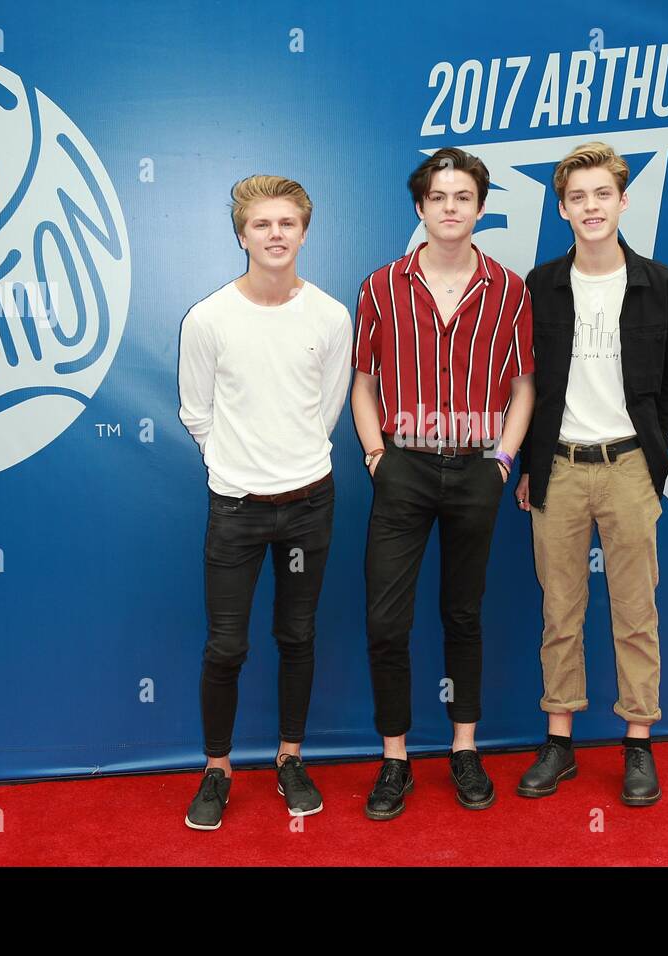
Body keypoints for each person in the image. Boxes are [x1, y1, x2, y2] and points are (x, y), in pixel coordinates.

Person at [351, 147, 535, 819]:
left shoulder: (511, 290)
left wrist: (502, 461)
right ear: (420, 207)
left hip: (475, 472)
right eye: (439, 196)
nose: (451, 207)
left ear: (480, 208)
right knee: (386, 621)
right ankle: (395, 757)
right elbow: (364, 383)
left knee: (463, 613)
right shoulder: (379, 287)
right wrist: (377, 456)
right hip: (402, 467)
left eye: (463, 197)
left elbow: (523, 387)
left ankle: (464, 747)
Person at [514, 142, 668, 806]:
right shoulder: (540, 286)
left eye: (601, 194)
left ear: (622, 200)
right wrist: (531, 463)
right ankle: (559, 742)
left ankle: (637, 742)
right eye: (577, 197)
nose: (591, 207)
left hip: (627, 468)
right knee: (560, 610)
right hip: (556, 471)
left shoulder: (662, 285)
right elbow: (526, 382)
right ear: (562, 209)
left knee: (635, 613)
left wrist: (647, 458)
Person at [177, 175, 352, 827]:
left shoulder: (332, 317)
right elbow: (196, 413)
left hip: (310, 507)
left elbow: (328, 406)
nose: (275, 234)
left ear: (304, 231)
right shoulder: (209, 318)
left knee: (297, 633)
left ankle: (289, 758)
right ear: (242, 234)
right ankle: (217, 769)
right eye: (262, 224)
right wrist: (234, 468)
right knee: (226, 645)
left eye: (287, 223)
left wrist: (292, 462)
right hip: (237, 510)